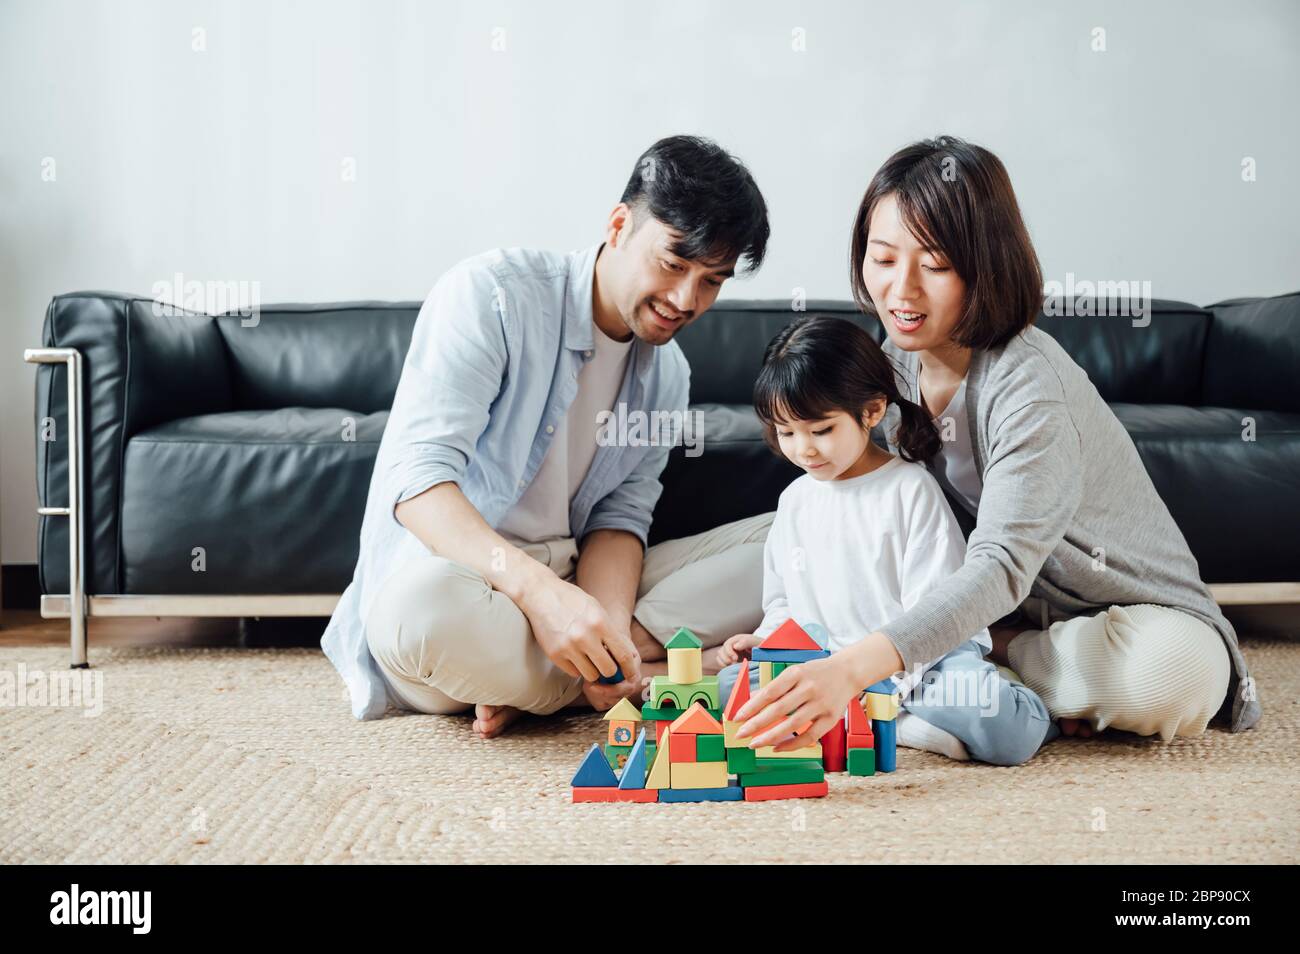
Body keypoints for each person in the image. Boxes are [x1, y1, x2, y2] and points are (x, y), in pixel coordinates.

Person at [733, 135, 1258, 752]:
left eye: (934, 265)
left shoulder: (1028, 386)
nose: (901, 291)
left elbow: (1001, 565)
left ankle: (1003, 658)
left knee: (1168, 677)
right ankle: (976, 672)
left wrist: (850, 670)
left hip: (1111, 613)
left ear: (985, 267)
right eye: (882, 258)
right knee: (791, 527)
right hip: (980, 602)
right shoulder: (889, 364)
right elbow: (860, 509)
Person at [322, 135, 775, 739]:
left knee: (799, 531)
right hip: (468, 580)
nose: (685, 300)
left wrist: (603, 624)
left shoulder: (669, 373)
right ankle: (637, 673)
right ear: (619, 225)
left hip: (573, 582)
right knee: (417, 615)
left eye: (711, 281)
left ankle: (583, 679)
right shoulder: (491, 296)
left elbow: (619, 519)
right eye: (673, 263)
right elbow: (418, 482)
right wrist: (542, 599)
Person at [713, 315, 1057, 765]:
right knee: (730, 691)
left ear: (872, 411)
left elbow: (933, 615)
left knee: (998, 725)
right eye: (786, 433)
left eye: (821, 430)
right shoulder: (795, 499)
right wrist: (764, 641)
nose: (804, 450)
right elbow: (784, 604)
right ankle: (908, 729)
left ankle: (1015, 714)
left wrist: (868, 682)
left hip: (919, 663)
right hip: (827, 662)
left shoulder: (908, 489)